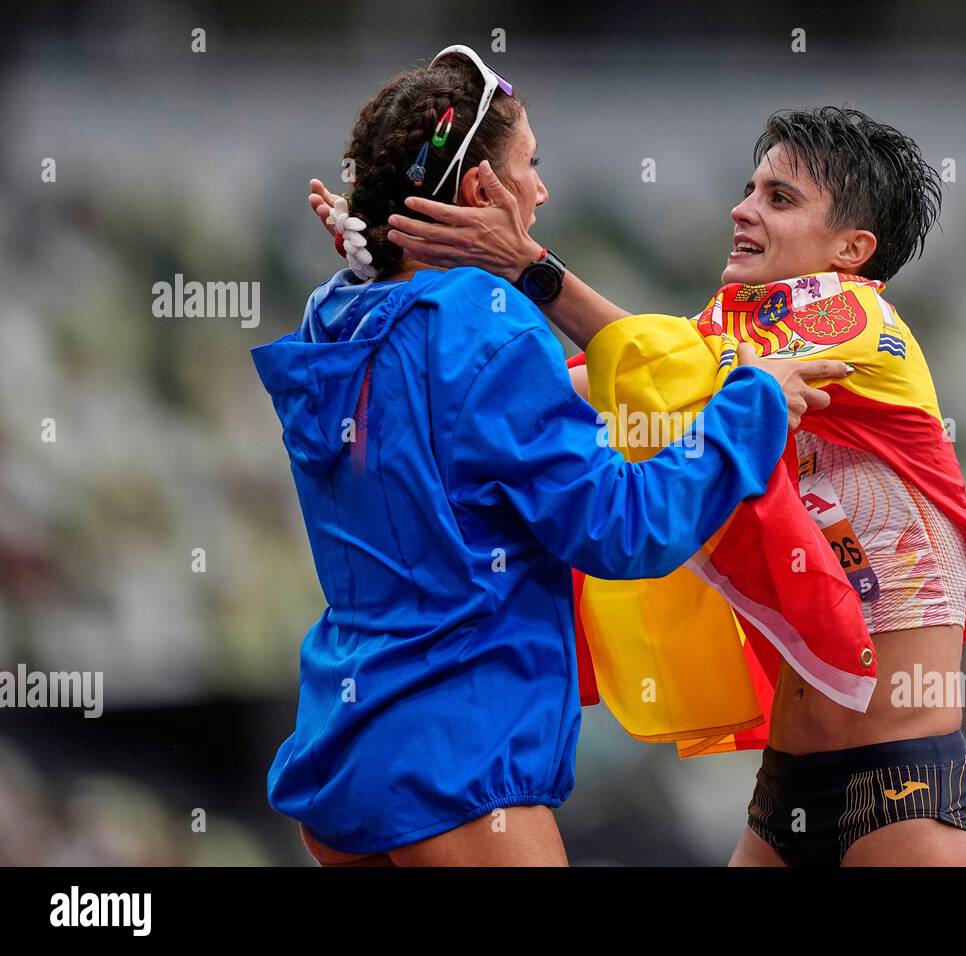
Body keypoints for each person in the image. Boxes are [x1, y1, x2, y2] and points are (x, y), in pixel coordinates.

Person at [312, 105, 966, 867]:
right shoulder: (728, 325)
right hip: (785, 791)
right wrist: (382, 273)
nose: (741, 209)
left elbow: (668, 374)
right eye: (749, 188)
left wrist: (527, 266)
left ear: (852, 248)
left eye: (779, 198)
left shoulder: (860, 319)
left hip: (903, 787)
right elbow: (552, 395)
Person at [261, 46, 849, 867]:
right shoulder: (482, 317)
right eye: (530, 165)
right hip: (457, 764)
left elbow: (443, 442)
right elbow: (618, 528)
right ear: (480, 192)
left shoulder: (335, 315)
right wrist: (750, 409)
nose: (540, 189)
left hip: (341, 750)